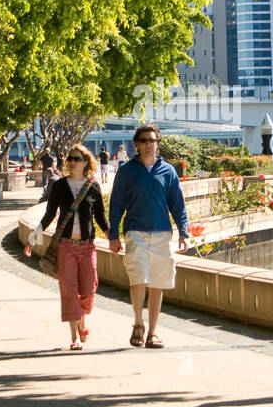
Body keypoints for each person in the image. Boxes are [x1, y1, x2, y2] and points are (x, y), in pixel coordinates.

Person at [108, 124, 189, 349]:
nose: (148, 144)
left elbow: (177, 204)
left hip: (162, 233)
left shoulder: (168, 171)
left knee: (157, 284)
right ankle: (137, 323)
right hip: (135, 233)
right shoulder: (127, 171)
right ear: (136, 144)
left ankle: (153, 332)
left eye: (152, 140)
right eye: (144, 140)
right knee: (138, 279)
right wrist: (113, 234)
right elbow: (116, 204)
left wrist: (184, 232)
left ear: (157, 143)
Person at [27, 144, 109, 350]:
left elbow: (100, 216)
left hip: (87, 246)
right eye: (70, 159)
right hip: (65, 246)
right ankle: (74, 336)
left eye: (76, 159)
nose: (72, 162)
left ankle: (81, 319)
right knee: (69, 290)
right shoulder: (60, 186)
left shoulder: (93, 187)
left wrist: (113, 238)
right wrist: (32, 238)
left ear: (86, 163)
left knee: (89, 289)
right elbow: (49, 214)